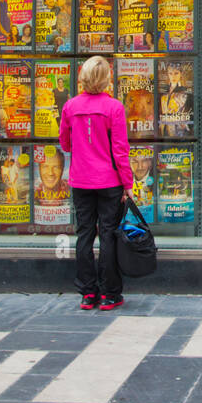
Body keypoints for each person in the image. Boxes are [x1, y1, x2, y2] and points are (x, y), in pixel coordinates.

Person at [59, 56, 134, 311]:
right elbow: (120, 150)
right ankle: (110, 293)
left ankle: (87, 292)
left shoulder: (70, 106)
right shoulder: (114, 108)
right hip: (109, 181)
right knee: (109, 234)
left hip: (80, 180)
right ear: (105, 79)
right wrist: (127, 183)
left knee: (84, 233)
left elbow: (65, 143)